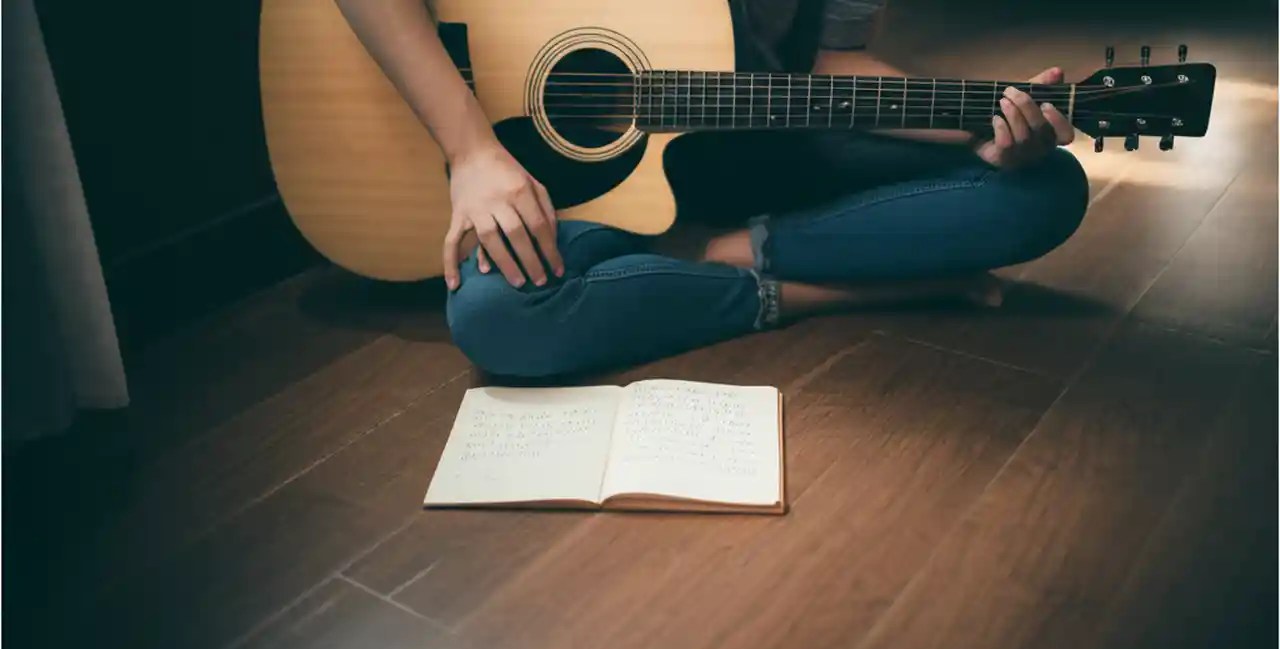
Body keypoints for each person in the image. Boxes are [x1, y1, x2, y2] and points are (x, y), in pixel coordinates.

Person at [336, 0, 1089, 378]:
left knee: (1043, 190)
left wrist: (976, 129)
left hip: (746, 150)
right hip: (561, 185)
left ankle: (707, 254)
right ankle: (855, 288)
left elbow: (825, 67)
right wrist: (469, 150)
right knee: (497, 315)